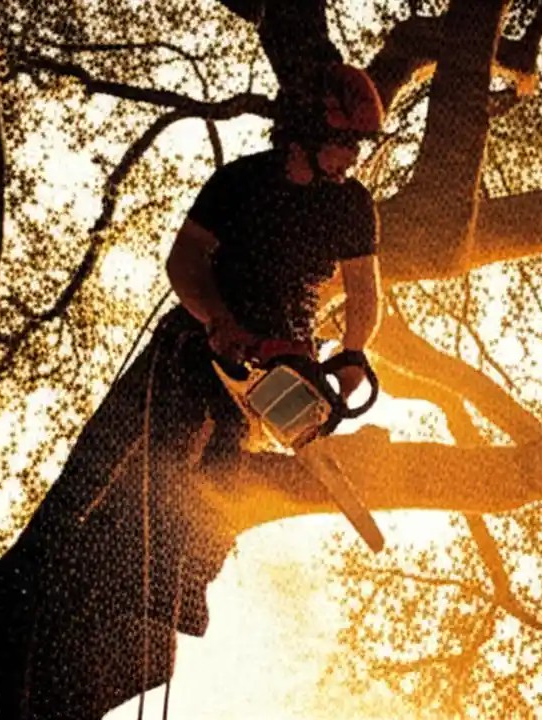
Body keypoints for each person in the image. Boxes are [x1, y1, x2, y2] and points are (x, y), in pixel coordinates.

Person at [135, 62, 386, 635]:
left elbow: (367, 293)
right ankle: (157, 571)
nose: (354, 157)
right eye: (348, 142)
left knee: (232, 460)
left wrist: (350, 355)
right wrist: (218, 320)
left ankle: (190, 579)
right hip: (217, 333)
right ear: (307, 128)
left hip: (290, 349)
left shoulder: (351, 204)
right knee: (191, 442)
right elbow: (184, 261)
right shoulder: (240, 182)